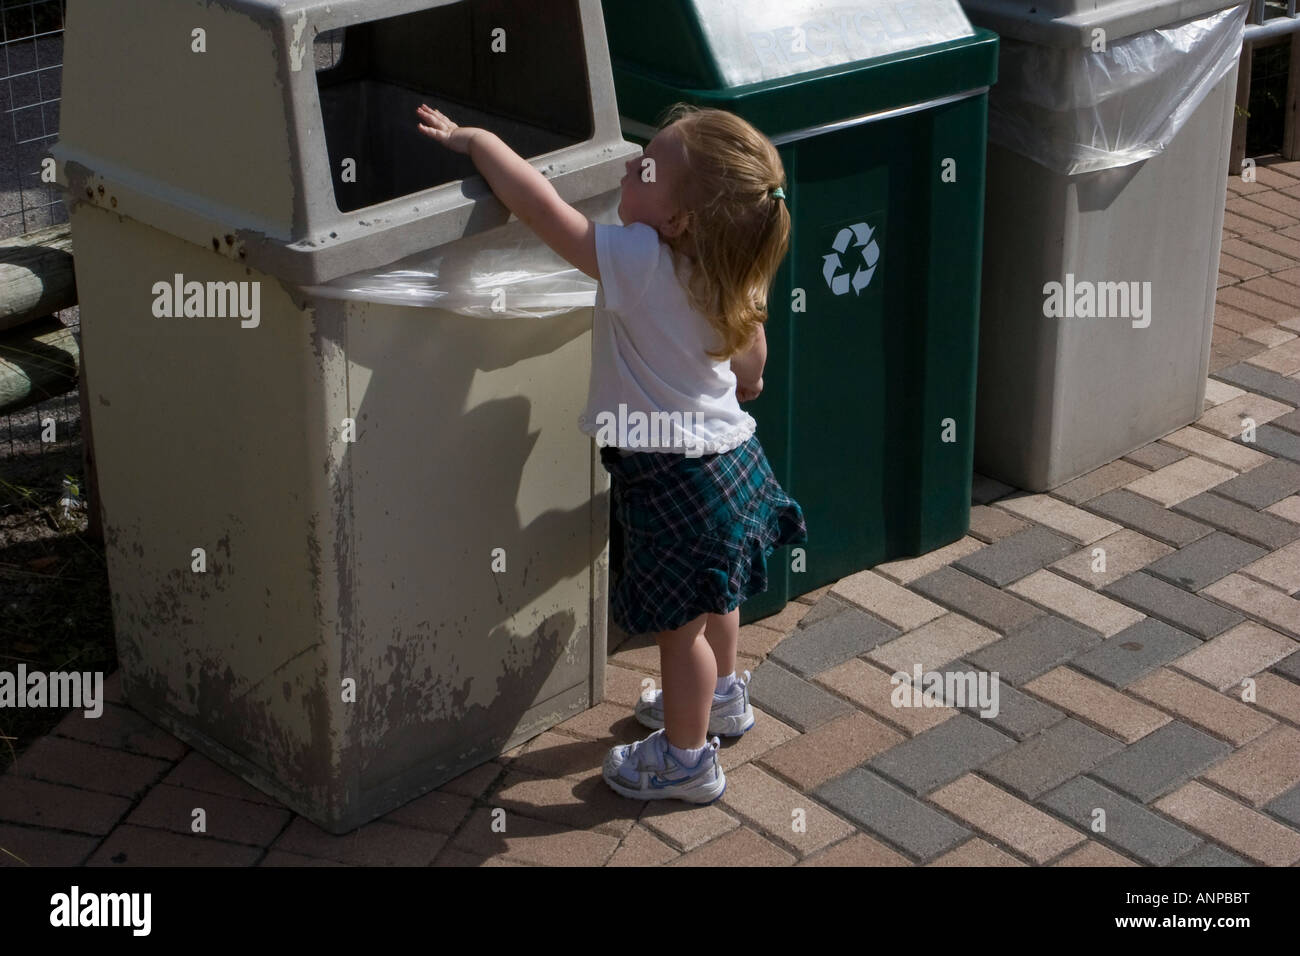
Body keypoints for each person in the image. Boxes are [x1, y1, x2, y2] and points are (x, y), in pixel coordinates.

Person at [416, 101, 807, 805]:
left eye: (647, 167)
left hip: (674, 480)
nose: (630, 163)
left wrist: (477, 140)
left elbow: (541, 210)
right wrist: (747, 382)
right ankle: (723, 699)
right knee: (716, 598)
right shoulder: (729, 267)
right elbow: (753, 362)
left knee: (675, 628)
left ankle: (687, 762)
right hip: (734, 463)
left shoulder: (638, 259)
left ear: (678, 220)